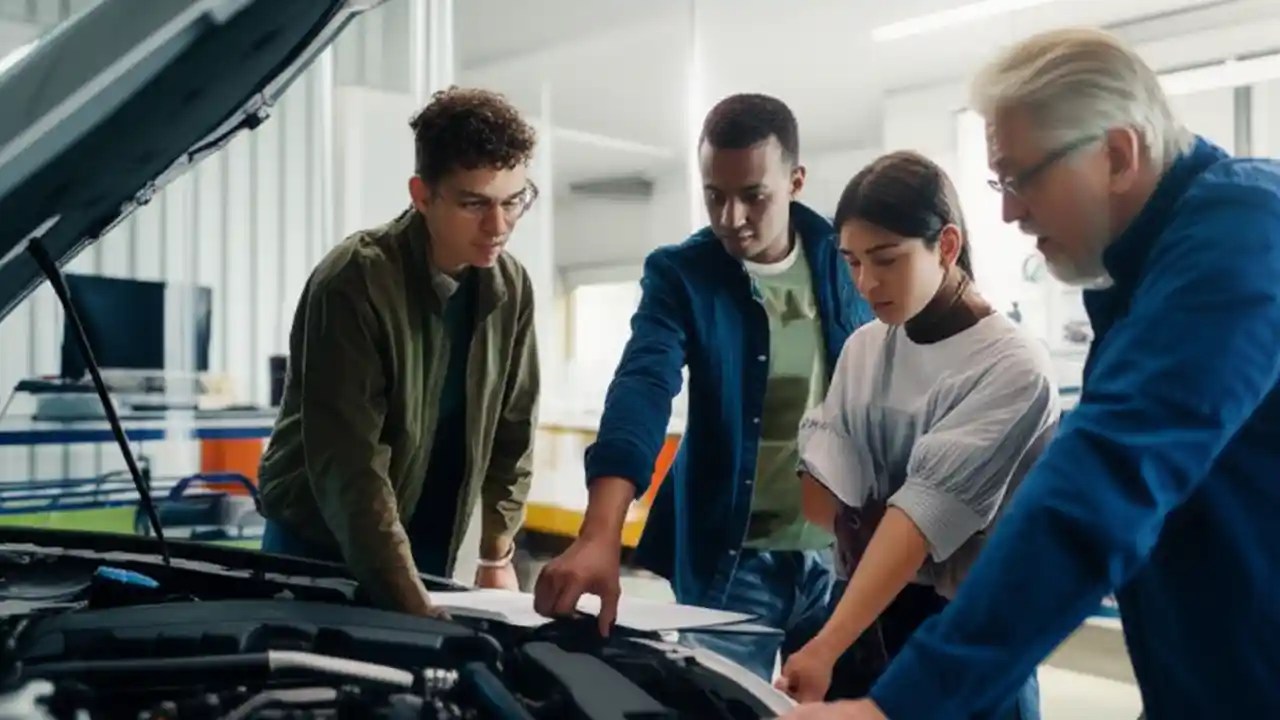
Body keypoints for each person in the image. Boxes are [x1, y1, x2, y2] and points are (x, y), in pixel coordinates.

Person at [783, 27, 1280, 720]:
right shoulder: (1138, 280)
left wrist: (896, 707)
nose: (1010, 212)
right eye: (999, 183)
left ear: (1116, 154)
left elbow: (1102, 486)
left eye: (1021, 179)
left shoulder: (1247, 235)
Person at [534, 93, 875, 680]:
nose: (730, 218)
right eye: (714, 196)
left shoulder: (844, 255)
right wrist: (600, 534)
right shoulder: (683, 273)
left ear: (795, 181)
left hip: (840, 553)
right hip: (732, 558)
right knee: (720, 699)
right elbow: (643, 384)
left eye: (753, 196)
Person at [772, 152, 1055, 720]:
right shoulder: (866, 348)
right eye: (851, 261)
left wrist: (826, 641)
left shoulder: (1011, 365)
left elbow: (918, 523)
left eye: (886, 259)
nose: (865, 283)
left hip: (968, 642)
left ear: (946, 246)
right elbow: (820, 496)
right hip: (867, 622)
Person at [257, 86, 542, 618]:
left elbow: (514, 426)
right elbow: (351, 466)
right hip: (318, 550)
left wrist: (496, 551)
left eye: (513, 201)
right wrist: (408, 602)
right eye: (474, 203)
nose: (499, 227)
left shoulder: (511, 286)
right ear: (422, 194)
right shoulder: (354, 280)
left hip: (428, 541)